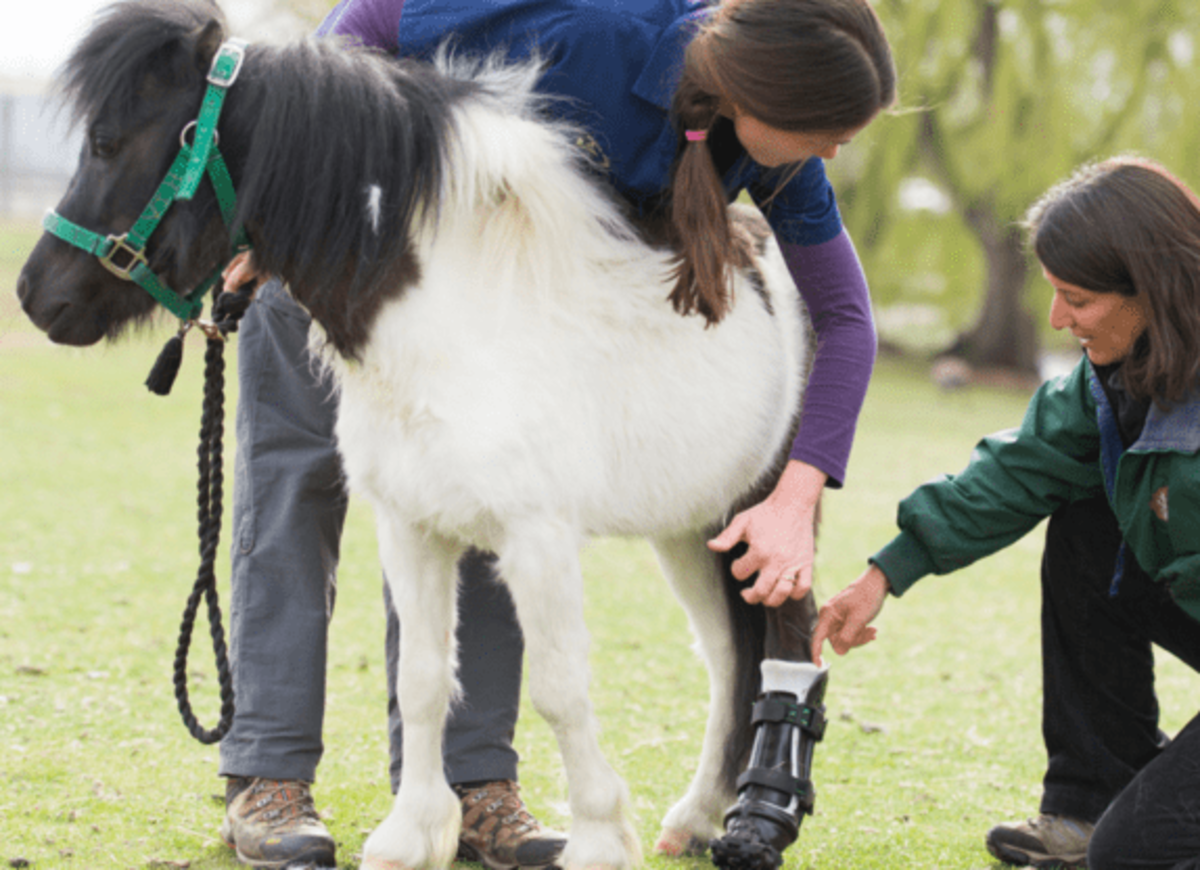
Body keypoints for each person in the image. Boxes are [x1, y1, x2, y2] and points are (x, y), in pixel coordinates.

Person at [219, 0, 895, 867]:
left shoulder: (773, 151)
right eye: (828, 132)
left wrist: (796, 496)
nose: (833, 153)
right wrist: (296, 192)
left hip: (478, 314)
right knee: (298, 485)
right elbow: (374, 17)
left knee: (495, 501)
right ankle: (269, 776)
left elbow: (847, 318)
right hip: (338, 260)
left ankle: (474, 786)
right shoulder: (591, 23)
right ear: (767, 90)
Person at [812, 156, 1200, 870]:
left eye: (1077, 298)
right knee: (1086, 521)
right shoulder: (1114, 377)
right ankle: (1090, 799)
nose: (1057, 319)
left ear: (1151, 287)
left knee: (1135, 856)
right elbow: (1020, 468)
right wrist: (884, 574)